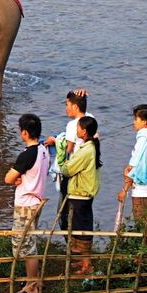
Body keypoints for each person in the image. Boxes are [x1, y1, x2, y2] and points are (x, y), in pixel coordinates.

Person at [5, 113, 51, 293]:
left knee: (24, 244)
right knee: (28, 241)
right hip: (36, 200)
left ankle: (32, 286)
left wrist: (16, 177)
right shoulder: (43, 151)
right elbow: (35, 174)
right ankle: (33, 280)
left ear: (24, 133)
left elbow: (8, 178)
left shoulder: (27, 154)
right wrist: (22, 178)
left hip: (25, 204)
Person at [46, 89, 97, 238]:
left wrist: (55, 141)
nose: (65, 108)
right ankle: (81, 249)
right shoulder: (90, 118)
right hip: (89, 174)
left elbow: (68, 149)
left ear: (75, 107)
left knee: (64, 214)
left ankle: (72, 246)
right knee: (85, 215)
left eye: (67, 104)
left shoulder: (72, 126)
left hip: (73, 173)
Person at [56, 115, 101, 275]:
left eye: (79, 128)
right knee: (78, 227)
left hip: (80, 195)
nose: (77, 131)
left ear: (85, 131)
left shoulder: (87, 150)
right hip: (80, 193)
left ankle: (87, 264)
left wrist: (61, 160)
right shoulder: (88, 147)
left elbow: (69, 169)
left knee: (82, 229)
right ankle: (83, 260)